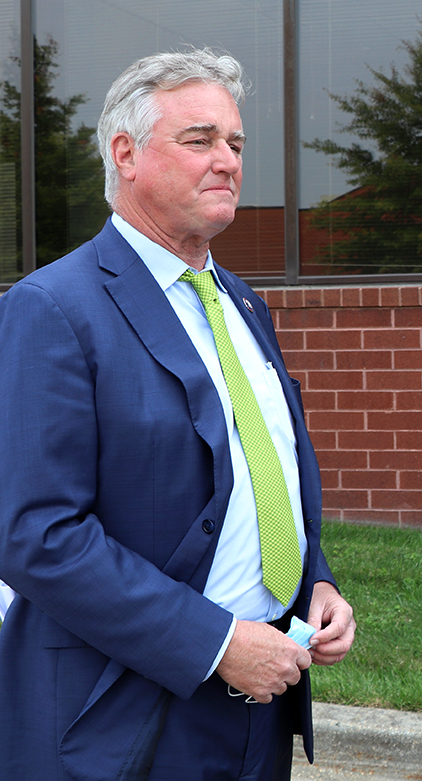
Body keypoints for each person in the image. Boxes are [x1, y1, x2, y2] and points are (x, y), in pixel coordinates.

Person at [0, 48, 356, 781]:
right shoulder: (53, 308)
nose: (227, 159)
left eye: (235, 143)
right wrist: (217, 643)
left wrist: (313, 581)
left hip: (264, 704)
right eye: (200, 140)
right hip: (120, 713)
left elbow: (265, 469)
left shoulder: (244, 303)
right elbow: (37, 534)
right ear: (125, 154)